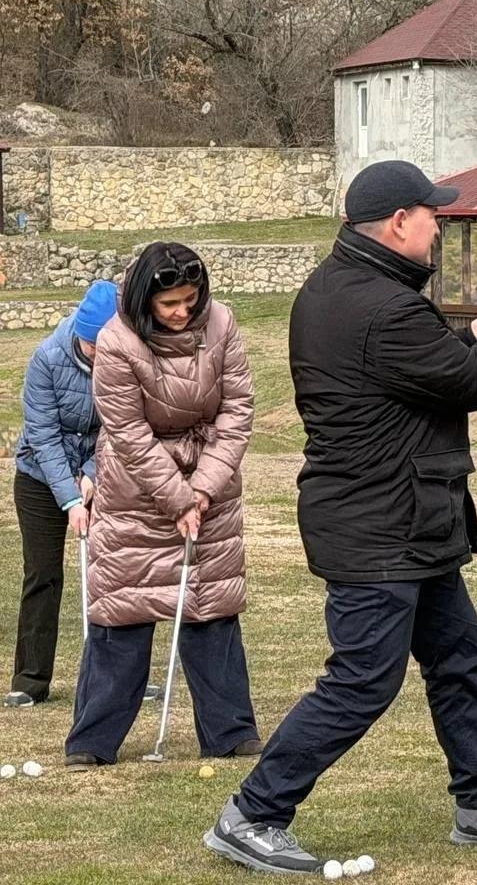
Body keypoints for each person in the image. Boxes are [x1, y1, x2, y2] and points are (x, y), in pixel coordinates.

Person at [205, 160, 477, 872]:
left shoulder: (344, 288)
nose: (438, 226)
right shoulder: (382, 304)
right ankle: (253, 812)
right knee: (364, 677)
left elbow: (417, 378)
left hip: (410, 517)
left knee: (458, 654)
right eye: (432, 215)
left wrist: (469, 336)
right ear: (399, 222)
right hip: (378, 524)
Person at [64, 242, 260, 770]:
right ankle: (92, 740)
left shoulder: (221, 324)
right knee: (123, 608)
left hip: (209, 480)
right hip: (135, 488)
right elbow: (126, 431)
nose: (182, 312)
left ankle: (230, 730)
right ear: (144, 299)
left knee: (210, 605)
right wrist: (175, 496)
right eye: (169, 303)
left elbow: (237, 411)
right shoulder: (117, 341)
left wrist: (203, 489)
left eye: (190, 300)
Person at [4, 281, 119, 709]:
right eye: (91, 345)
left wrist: (92, 474)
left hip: (103, 471)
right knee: (43, 574)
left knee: (113, 574)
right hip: (39, 477)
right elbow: (44, 437)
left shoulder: (123, 357)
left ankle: (117, 680)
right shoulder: (46, 359)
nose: (96, 353)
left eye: (103, 345)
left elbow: (119, 425)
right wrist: (71, 499)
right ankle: (30, 680)